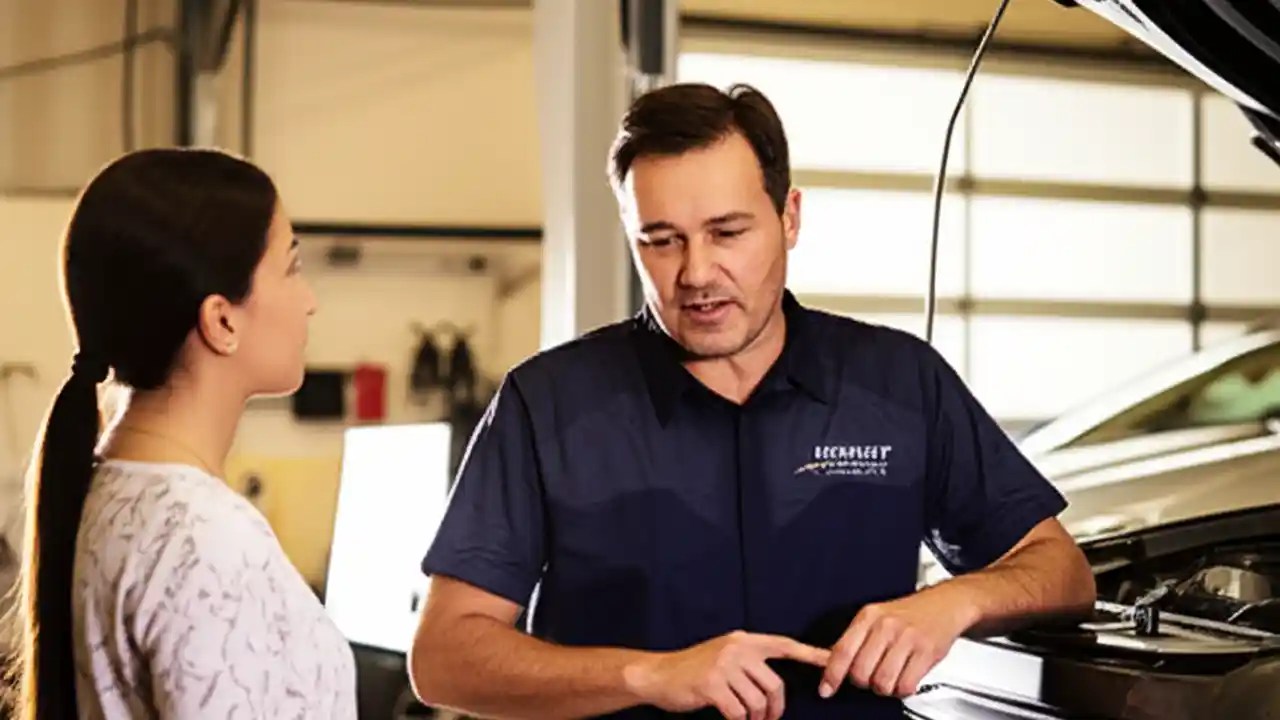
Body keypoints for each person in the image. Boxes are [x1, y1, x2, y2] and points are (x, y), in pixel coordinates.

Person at [409, 83, 1096, 720]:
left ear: (789, 217)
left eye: (727, 233)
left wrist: (954, 602)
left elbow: (1060, 570)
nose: (697, 273)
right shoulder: (547, 405)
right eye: (661, 240)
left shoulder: (898, 382)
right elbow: (442, 658)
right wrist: (648, 675)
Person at [9, 148, 357, 719]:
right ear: (222, 321)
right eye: (291, 268)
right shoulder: (207, 539)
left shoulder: (110, 489)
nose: (310, 300)